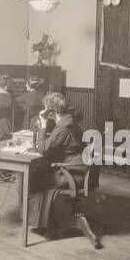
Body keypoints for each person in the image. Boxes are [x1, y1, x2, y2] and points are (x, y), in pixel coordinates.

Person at [27, 92, 87, 232]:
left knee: (31, 178)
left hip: (71, 173)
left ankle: (42, 224)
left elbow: (42, 149)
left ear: (50, 111)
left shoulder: (63, 128)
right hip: (80, 168)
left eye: (45, 107)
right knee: (41, 173)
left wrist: (43, 124)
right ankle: (46, 220)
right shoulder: (69, 120)